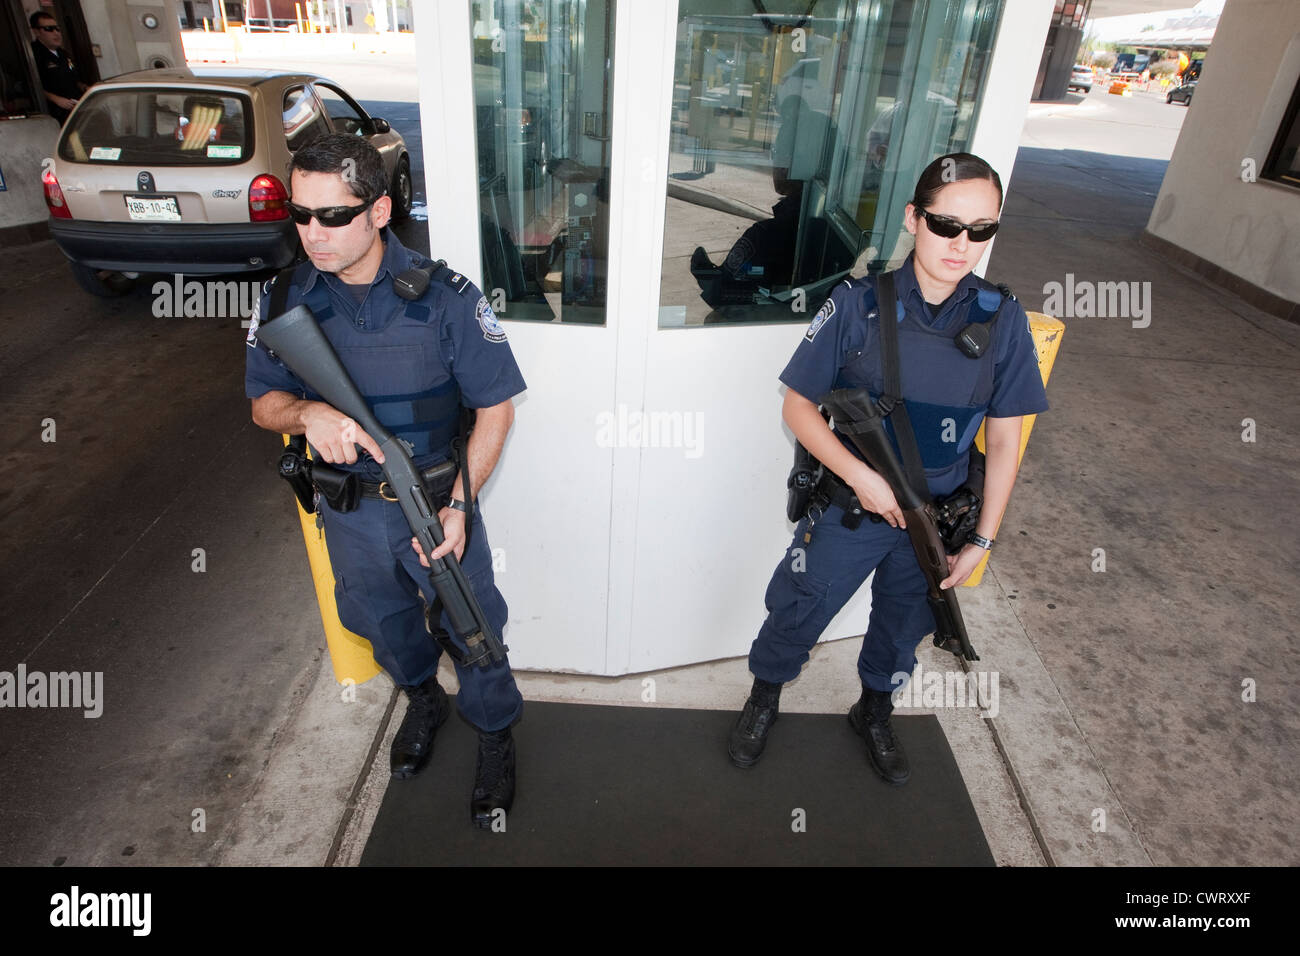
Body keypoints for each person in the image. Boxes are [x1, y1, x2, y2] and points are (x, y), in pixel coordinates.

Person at [727, 152, 1049, 784]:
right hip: (854, 510)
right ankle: (764, 697)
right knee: (800, 606)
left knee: (905, 626)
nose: (963, 245)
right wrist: (861, 476)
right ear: (912, 218)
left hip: (939, 516)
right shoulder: (856, 304)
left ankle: (873, 710)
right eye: (947, 225)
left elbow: (1007, 442)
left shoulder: (1002, 316)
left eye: (982, 230)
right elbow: (798, 406)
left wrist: (983, 538)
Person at [245, 134, 526, 828]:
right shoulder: (284, 296)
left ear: (379, 210)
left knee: (475, 628)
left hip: (436, 505)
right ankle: (422, 699)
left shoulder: (447, 298)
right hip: (349, 514)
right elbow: (262, 403)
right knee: (380, 623)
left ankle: (494, 735)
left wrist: (462, 506)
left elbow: (496, 408)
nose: (314, 233)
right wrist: (308, 412)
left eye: (333, 216)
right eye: (300, 215)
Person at [29, 11, 87, 124]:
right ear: (36, 32)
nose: (56, 33)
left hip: (75, 108)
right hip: (55, 114)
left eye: (57, 28)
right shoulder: (33, 55)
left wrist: (85, 87)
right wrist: (55, 99)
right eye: (49, 29)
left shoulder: (63, 54)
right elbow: (31, 86)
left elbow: (74, 79)